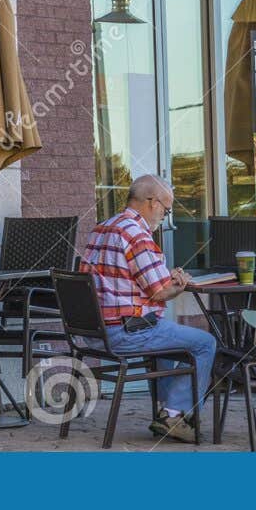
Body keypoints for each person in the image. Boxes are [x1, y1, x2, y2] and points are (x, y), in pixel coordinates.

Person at [81, 174, 217, 442]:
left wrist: (167, 277)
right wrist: (182, 283)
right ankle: (174, 413)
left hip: (94, 333)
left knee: (165, 339)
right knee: (206, 344)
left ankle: (166, 413)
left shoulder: (102, 228)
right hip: (126, 332)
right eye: (166, 210)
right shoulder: (137, 235)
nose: (165, 217)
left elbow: (130, 277)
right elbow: (159, 291)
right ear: (152, 202)